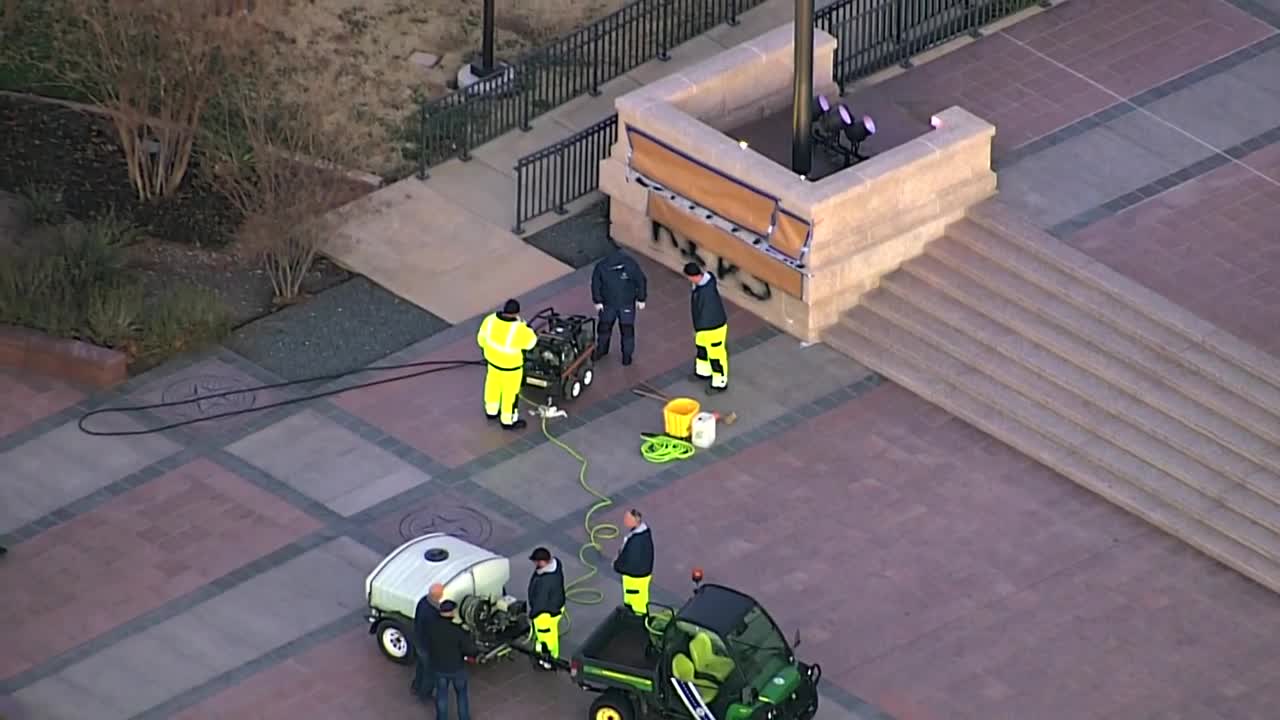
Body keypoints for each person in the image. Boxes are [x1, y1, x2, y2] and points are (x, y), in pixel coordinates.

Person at [476, 298, 538, 430]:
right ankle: (507, 420)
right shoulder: (519, 329)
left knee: (492, 387)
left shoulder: (490, 321)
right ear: (517, 313)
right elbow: (531, 343)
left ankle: (491, 411)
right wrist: (525, 326)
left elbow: (481, 340)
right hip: (511, 369)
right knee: (510, 394)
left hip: (493, 364)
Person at [591, 248, 648, 366]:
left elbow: (641, 281)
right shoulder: (602, 267)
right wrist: (598, 301)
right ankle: (602, 349)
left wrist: (641, 298)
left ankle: (626, 355)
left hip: (624, 304)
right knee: (605, 328)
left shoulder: (629, 265)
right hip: (609, 305)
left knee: (626, 331)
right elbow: (595, 284)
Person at [427, 600, 478, 720]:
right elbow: (470, 649)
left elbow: (427, 644)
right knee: (461, 695)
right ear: (451, 612)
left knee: (442, 695)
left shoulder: (432, 628)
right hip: (457, 668)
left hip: (439, 668)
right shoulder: (457, 630)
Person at [683, 262, 729, 393]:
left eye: (689, 277)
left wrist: (698, 330)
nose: (689, 280)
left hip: (713, 329)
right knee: (702, 351)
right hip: (704, 328)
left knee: (716, 357)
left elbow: (706, 313)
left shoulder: (705, 292)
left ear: (693, 276)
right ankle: (703, 372)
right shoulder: (703, 285)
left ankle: (720, 383)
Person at [527, 547, 566, 668]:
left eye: (537, 562)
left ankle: (548, 661)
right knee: (551, 636)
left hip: (544, 615)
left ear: (543, 561)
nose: (535, 564)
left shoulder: (544, 581)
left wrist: (532, 614)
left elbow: (540, 602)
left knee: (546, 639)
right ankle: (545, 655)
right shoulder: (555, 567)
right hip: (555, 608)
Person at [612, 509, 654, 616]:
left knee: (638, 605)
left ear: (635, 520)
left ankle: (639, 621)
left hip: (635, 579)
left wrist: (617, 566)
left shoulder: (636, 541)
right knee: (635, 602)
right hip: (637, 577)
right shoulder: (642, 534)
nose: (625, 520)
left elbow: (631, 562)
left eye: (627, 518)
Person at [411, 582, 445, 702]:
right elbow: (434, 634)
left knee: (421, 666)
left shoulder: (423, 601)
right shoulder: (433, 613)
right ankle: (425, 694)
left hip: (419, 640)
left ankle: (416, 686)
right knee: (430, 672)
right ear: (438, 596)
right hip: (427, 645)